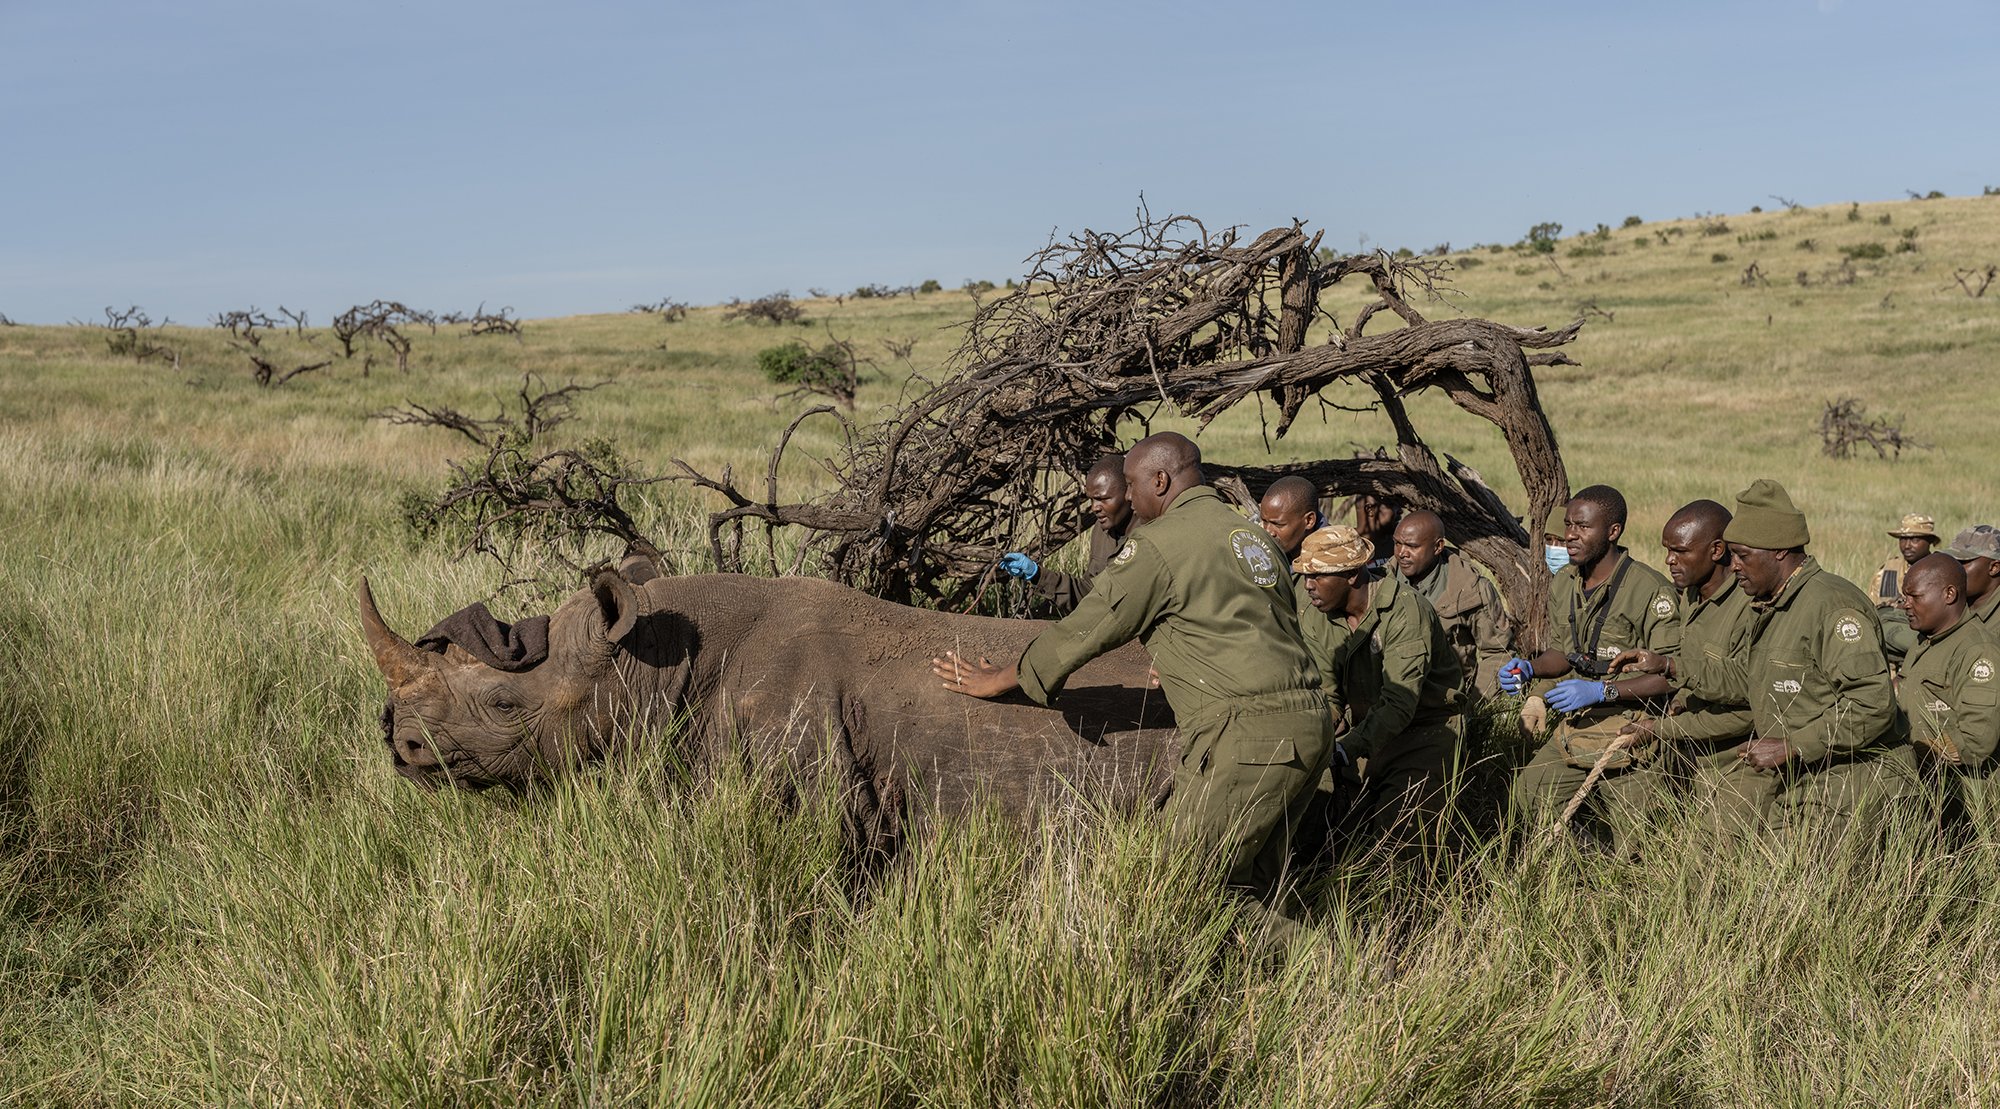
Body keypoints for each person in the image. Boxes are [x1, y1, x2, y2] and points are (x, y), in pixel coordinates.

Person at [931, 432, 1331, 923]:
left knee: (1179, 883)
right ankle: (1302, 988)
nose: (1132, 497)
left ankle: (1336, 969)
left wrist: (1007, 677)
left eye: (1133, 484)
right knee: (1255, 885)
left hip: (1248, 737)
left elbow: (1090, 626)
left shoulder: (1158, 545)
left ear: (1160, 481)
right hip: (1310, 725)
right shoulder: (1248, 536)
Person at [1724, 479, 1913, 839]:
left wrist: (1792, 746)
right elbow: (1749, 677)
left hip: (1851, 783)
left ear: (1778, 550)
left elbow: (1872, 705)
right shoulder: (1771, 605)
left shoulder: (1833, 607)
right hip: (1804, 776)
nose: (1733, 566)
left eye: (1742, 555)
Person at [1501, 485, 1680, 839]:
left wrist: (1601, 691)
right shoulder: (1565, 582)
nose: (1570, 536)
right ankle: (1579, 870)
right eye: (1568, 525)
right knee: (1530, 794)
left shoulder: (1649, 589)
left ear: (1613, 532)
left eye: (1583, 527)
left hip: (1634, 726)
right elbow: (1563, 653)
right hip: (1580, 723)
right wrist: (1529, 668)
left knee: (1635, 837)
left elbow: (1670, 676)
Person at [1293, 526, 1466, 848]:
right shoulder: (1316, 614)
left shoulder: (1405, 611)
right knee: (1316, 829)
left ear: (1352, 576)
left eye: (1318, 576)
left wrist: (1345, 749)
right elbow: (1327, 694)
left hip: (1423, 733)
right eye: (1304, 575)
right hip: (1363, 730)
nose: (1308, 586)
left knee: (1402, 846)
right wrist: (1315, 739)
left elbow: (1400, 702)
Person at [1606, 501, 1764, 832]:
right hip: (1687, 745)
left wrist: (1668, 669)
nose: (1669, 560)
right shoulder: (1689, 596)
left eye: (1680, 551)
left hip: (1735, 758)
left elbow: (1746, 696)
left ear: (1717, 550)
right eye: (1667, 550)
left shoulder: (1748, 606)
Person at [1897, 554, 2000, 829]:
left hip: (1964, 799)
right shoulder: (1926, 641)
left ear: (1949, 594)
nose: (1905, 604)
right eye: (1904, 596)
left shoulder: (1977, 650)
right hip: (1928, 790)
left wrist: (1908, 755)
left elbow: (1977, 739)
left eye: (1914, 596)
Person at [1392, 509, 1512, 699]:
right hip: (1391, 699)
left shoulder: (1471, 590)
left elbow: (1498, 652)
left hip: (1449, 700)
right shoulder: (1382, 584)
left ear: (1438, 546)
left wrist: (1473, 704)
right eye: (1397, 543)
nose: (1401, 553)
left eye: (1411, 546)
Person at [997, 454, 1131, 615]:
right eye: (1092, 500)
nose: (1095, 507)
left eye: (1103, 499)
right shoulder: (1103, 530)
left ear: (1129, 493)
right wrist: (1036, 574)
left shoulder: (1150, 532)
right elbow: (1088, 594)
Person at [1876, 513, 1938, 668]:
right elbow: (1874, 609)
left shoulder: (1941, 570)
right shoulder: (1888, 570)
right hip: (1889, 662)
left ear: (1929, 541)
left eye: (1915, 539)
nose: (1907, 545)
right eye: (1903, 539)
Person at [1942, 525, 2000, 635]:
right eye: (1952, 560)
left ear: (1994, 568)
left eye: (1962, 562)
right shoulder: (1953, 602)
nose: (1953, 568)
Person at [1257, 476, 1323, 564]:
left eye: (1278, 524)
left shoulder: (1333, 562)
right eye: (1264, 521)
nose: (1268, 531)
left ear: (1309, 520)